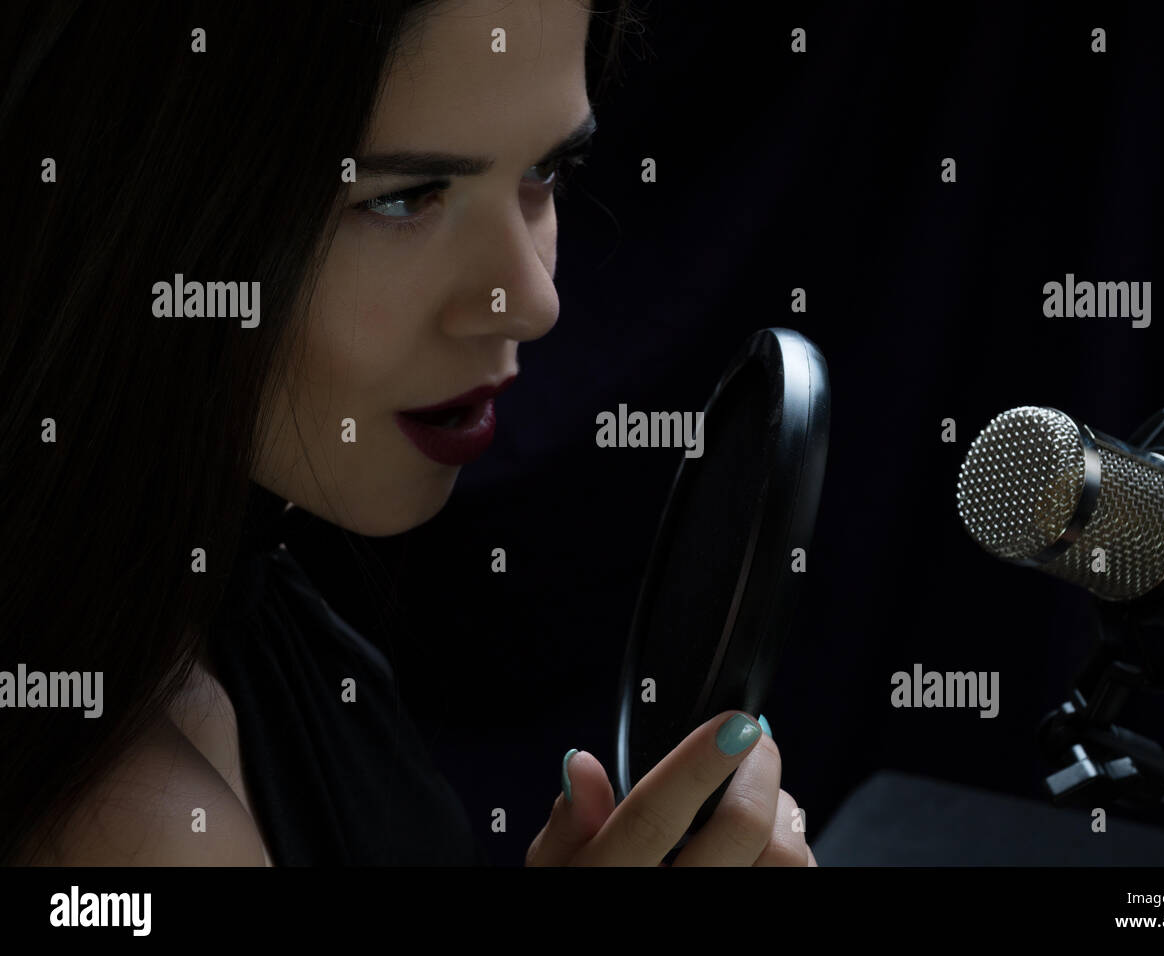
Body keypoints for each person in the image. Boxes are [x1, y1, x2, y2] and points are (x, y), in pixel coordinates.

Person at [0, 0, 815, 867]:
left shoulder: (233, 609)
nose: (534, 302)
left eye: (546, 170)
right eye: (400, 200)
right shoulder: (141, 832)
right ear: (135, 199)